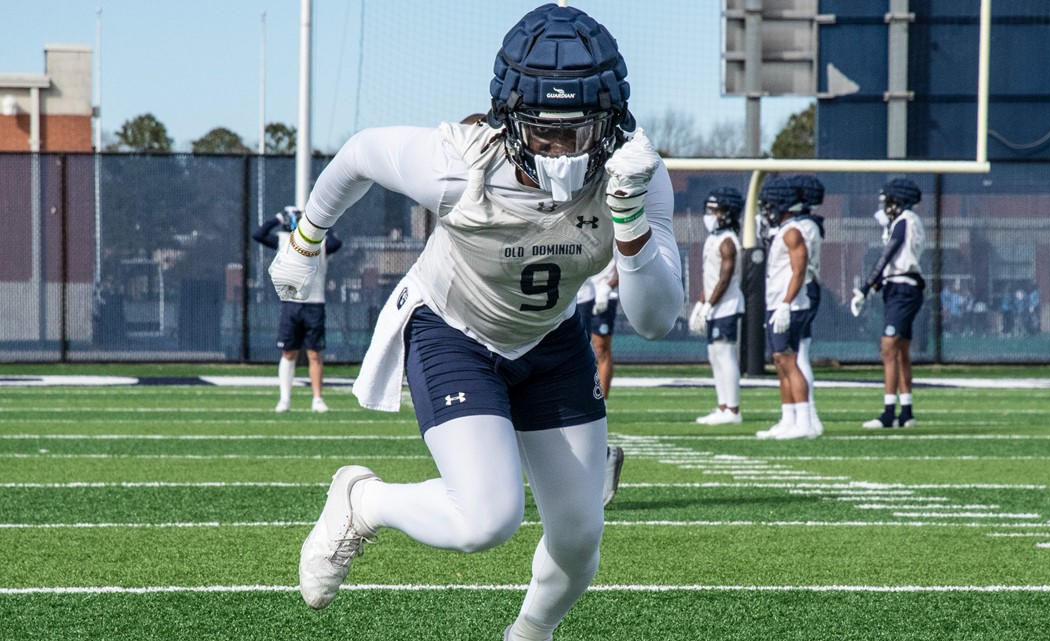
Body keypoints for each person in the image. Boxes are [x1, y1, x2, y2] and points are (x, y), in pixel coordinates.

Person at [268, 6, 684, 641]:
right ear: (509, 120)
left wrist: (628, 223)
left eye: (582, 132)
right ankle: (362, 501)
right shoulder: (457, 164)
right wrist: (305, 239)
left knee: (579, 538)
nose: (564, 152)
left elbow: (655, 321)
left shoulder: (636, 177)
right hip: (454, 330)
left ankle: (529, 635)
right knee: (486, 518)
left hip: (551, 338)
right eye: (544, 133)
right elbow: (359, 154)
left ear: (613, 120)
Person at [850, 178, 926, 429]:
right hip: (901, 286)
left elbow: (888, 255)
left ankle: (888, 412)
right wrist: (874, 287)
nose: (886, 207)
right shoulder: (908, 221)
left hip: (902, 289)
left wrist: (865, 287)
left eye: (890, 202)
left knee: (888, 346)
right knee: (900, 349)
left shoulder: (904, 221)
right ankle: (906, 412)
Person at [252, 206, 342, 413]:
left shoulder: (321, 242)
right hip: (291, 303)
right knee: (289, 352)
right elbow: (259, 234)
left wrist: (321, 221)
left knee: (314, 354)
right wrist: (278, 217)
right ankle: (284, 399)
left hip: (315, 303)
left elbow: (336, 243)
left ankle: (317, 399)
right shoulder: (284, 240)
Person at [754, 177, 818, 441]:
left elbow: (799, 270)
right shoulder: (781, 231)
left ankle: (804, 422)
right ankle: (788, 419)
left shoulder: (793, 232)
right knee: (780, 361)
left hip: (789, 305)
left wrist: (786, 304)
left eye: (769, 206)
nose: (766, 211)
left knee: (789, 361)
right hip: (777, 304)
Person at [689, 186, 745, 426]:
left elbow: (724, 279)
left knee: (725, 355)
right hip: (715, 306)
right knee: (714, 355)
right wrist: (700, 303)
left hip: (727, 306)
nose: (710, 215)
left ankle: (733, 409)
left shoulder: (727, 241)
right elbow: (710, 278)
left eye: (715, 210)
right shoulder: (713, 238)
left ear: (727, 213)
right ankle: (723, 406)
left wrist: (709, 305)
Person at [574, 259, 625, 507]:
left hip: (582, 295)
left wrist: (608, 286)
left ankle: (599, 401)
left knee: (596, 352)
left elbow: (625, 256)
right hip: (571, 293)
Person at [789, 174, 825, 435]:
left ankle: (809, 415)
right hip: (804, 286)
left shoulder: (805, 227)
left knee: (799, 353)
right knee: (795, 353)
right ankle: (799, 416)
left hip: (805, 287)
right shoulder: (804, 225)